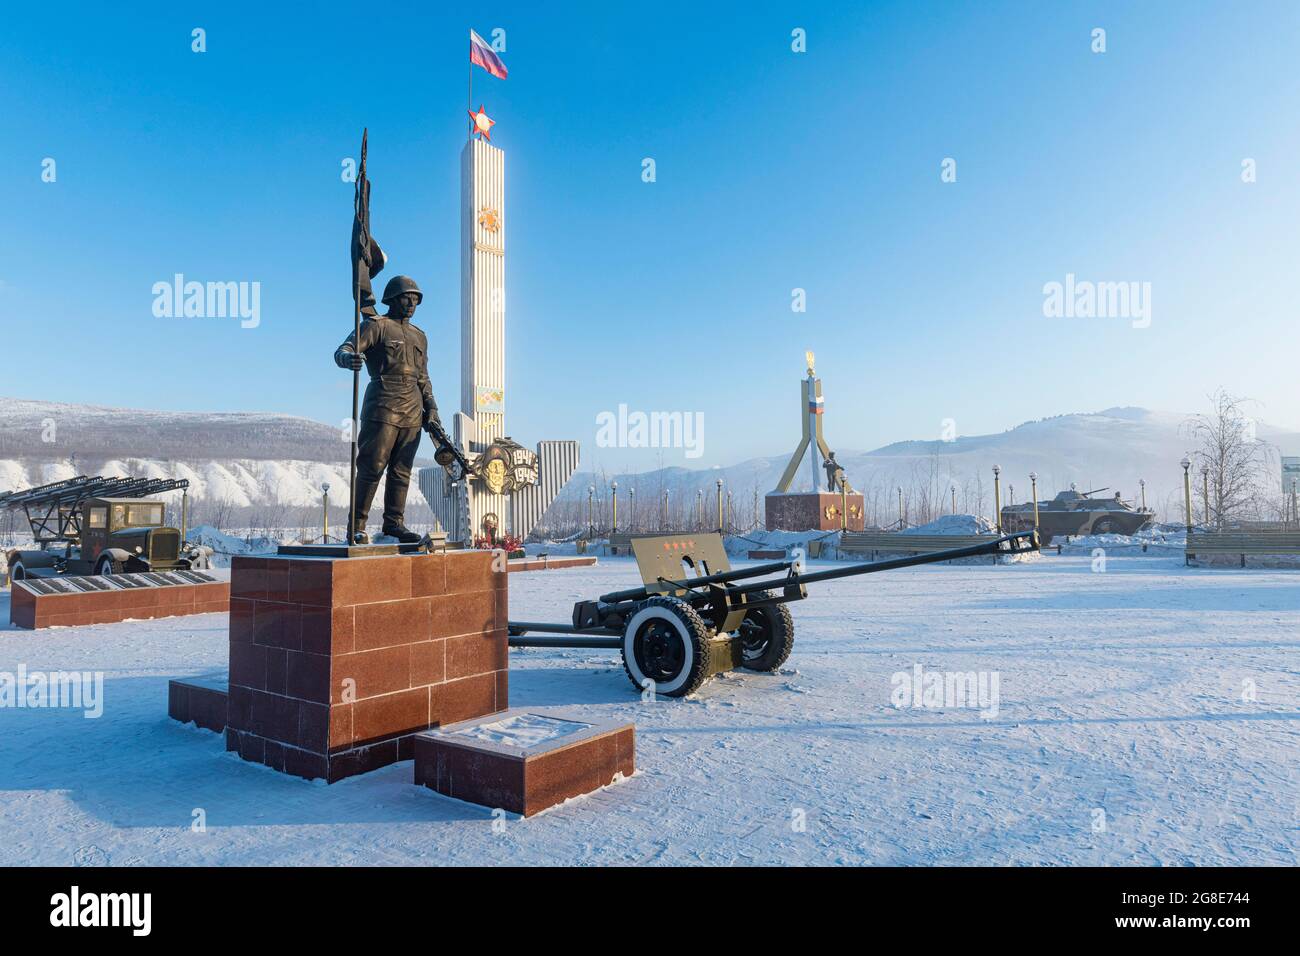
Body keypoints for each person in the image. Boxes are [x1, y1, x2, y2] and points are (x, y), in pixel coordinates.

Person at [334, 274, 441, 543]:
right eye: (407, 297)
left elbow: (423, 377)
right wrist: (349, 359)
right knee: (372, 466)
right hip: (383, 403)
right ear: (392, 299)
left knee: (402, 470)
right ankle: (356, 526)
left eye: (416, 298)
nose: (412, 303)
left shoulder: (420, 336)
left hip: (413, 409)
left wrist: (433, 410)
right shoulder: (375, 326)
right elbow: (343, 349)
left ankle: (394, 524)